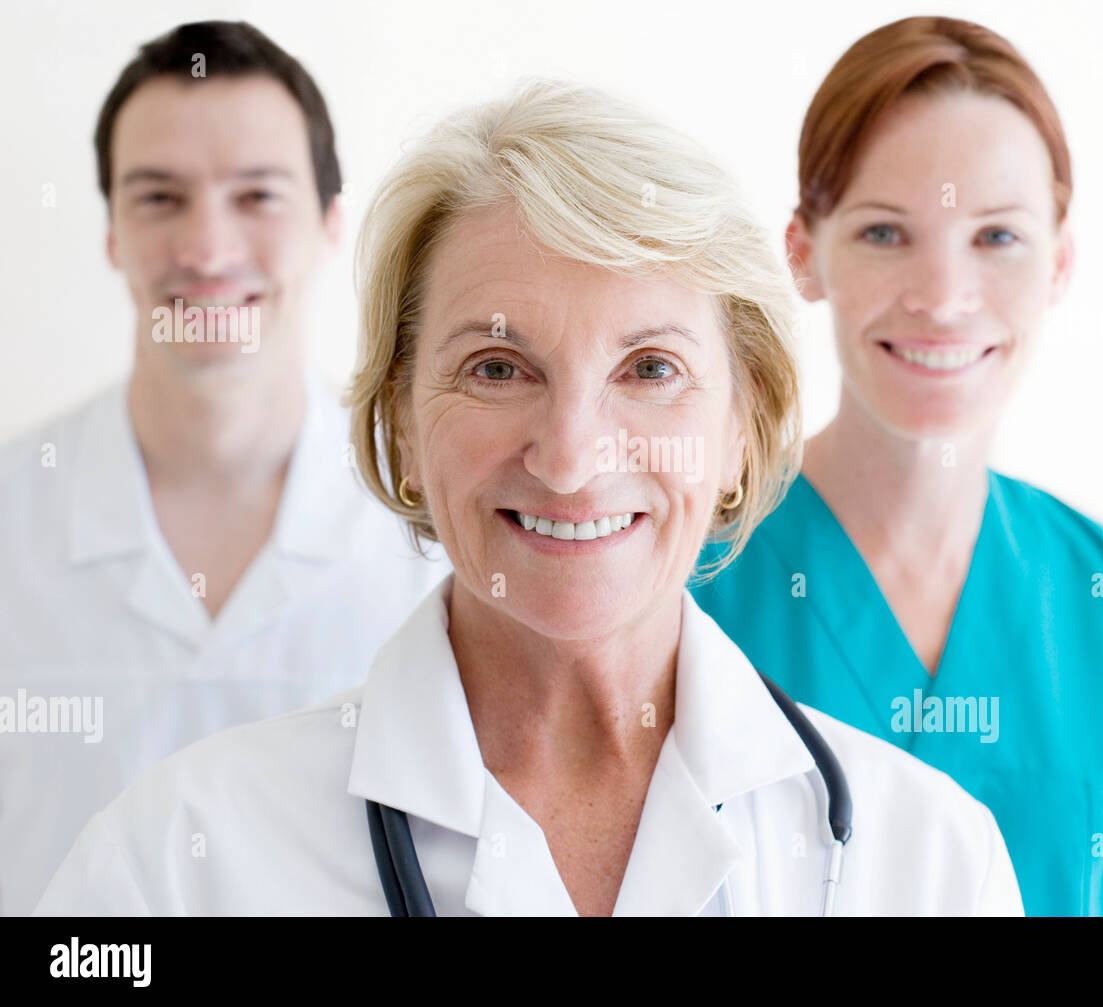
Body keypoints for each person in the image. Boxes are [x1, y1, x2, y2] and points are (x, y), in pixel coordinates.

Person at [36, 80, 1023, 916]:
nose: (570, 456)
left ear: (741, 430)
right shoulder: (173, 863)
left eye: (648, 367)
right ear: (400, 424)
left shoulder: (927, 861)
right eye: (498, 367)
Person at [689, 16, 1103, 915]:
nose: (943, 298)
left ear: (1059, 262)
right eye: (883, 233)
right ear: (803, 252)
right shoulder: (689, 588)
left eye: (996, 237)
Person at [0, 21, 449, 916]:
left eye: (257, 195)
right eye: (160, 197)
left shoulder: (439, 529)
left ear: (330, 224)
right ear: (112, 233)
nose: (206, 249)